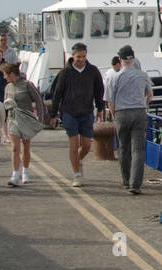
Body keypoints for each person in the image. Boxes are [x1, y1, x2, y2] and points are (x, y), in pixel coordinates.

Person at [49, 43, 104, 186]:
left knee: (86, 145)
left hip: (86, 111)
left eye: (84, 56)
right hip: (69, 112)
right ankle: (77, 174)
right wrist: (53, 114)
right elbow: (56, 93)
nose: (81, 59)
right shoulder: (65, 73)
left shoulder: (93, 71)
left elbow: (99, 90)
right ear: (73, 56)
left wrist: (100, 108)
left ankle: (78, 160)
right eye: (78, 57)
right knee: (73, 144)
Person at [107, 46, 154, 195]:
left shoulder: (114, 77)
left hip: (121, 113)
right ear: (133, 59)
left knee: (123, 148)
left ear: (120, 60)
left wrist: (115, 116)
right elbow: (149, 96)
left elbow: (110, 101)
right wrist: (143, 105)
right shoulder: (143, 75)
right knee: (138, 150)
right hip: (139, 112)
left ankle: (126, 180)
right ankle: (136, 184)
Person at [2, 63, 47, 187]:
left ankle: (25, 171)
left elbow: (38, 100)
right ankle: (15, 175)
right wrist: (3, 122)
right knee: (15, 148)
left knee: (25, 146)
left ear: (11, 74)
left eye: (5, 74)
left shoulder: (27, 85)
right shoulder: (7, 87)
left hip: (26, 119)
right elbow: (4, 105)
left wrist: (41, 119)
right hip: (13, 120)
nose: (4, 77)